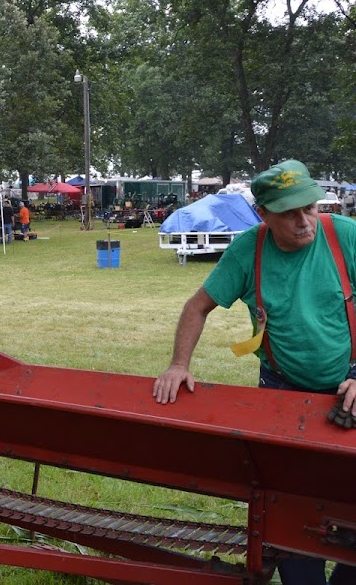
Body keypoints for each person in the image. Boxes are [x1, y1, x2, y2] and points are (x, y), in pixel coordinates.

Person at [152, 160, 356, 585]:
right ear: (263, 214)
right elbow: (197, 306)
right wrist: (178, 365)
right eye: (289, 213)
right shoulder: (248, 250)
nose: (304, 222)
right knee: (290, 511)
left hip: (348, 391)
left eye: (310, 208)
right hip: (280, 393)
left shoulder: (345, 236)